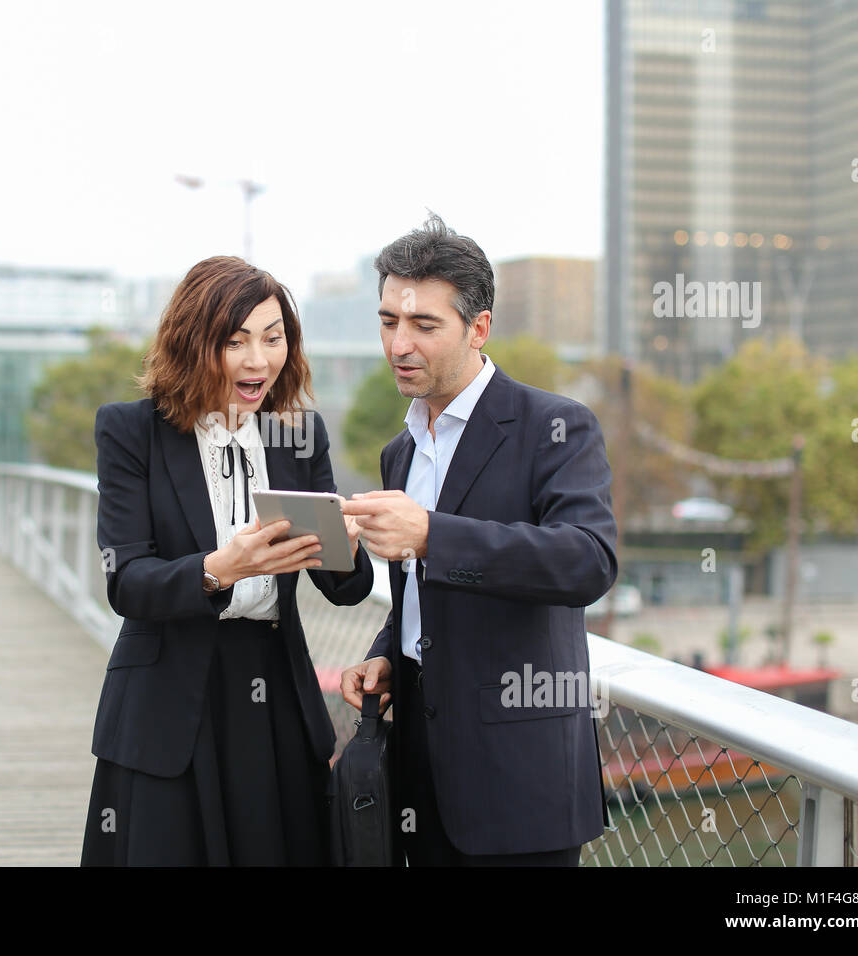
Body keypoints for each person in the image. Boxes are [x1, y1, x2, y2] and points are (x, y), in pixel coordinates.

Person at [339, 214, 618, 866]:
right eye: (388, 322)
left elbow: (588, 562)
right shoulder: (399, 451)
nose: (399, 345)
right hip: (418, 771)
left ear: (479, 328)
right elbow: (419, 593)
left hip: (519, 785)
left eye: (424, 326)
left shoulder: (558, 425)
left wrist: (433, 535)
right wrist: (388, 650)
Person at [80, 256, 375, 866]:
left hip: (274, 698)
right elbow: (127, 582)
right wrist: (220, 568)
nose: (258, 361)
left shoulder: (299, 435)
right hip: (170, 695)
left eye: (273, 339)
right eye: (234, 342)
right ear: (194, 343)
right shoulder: (132, 432)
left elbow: (346, 591)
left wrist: (341, 538)